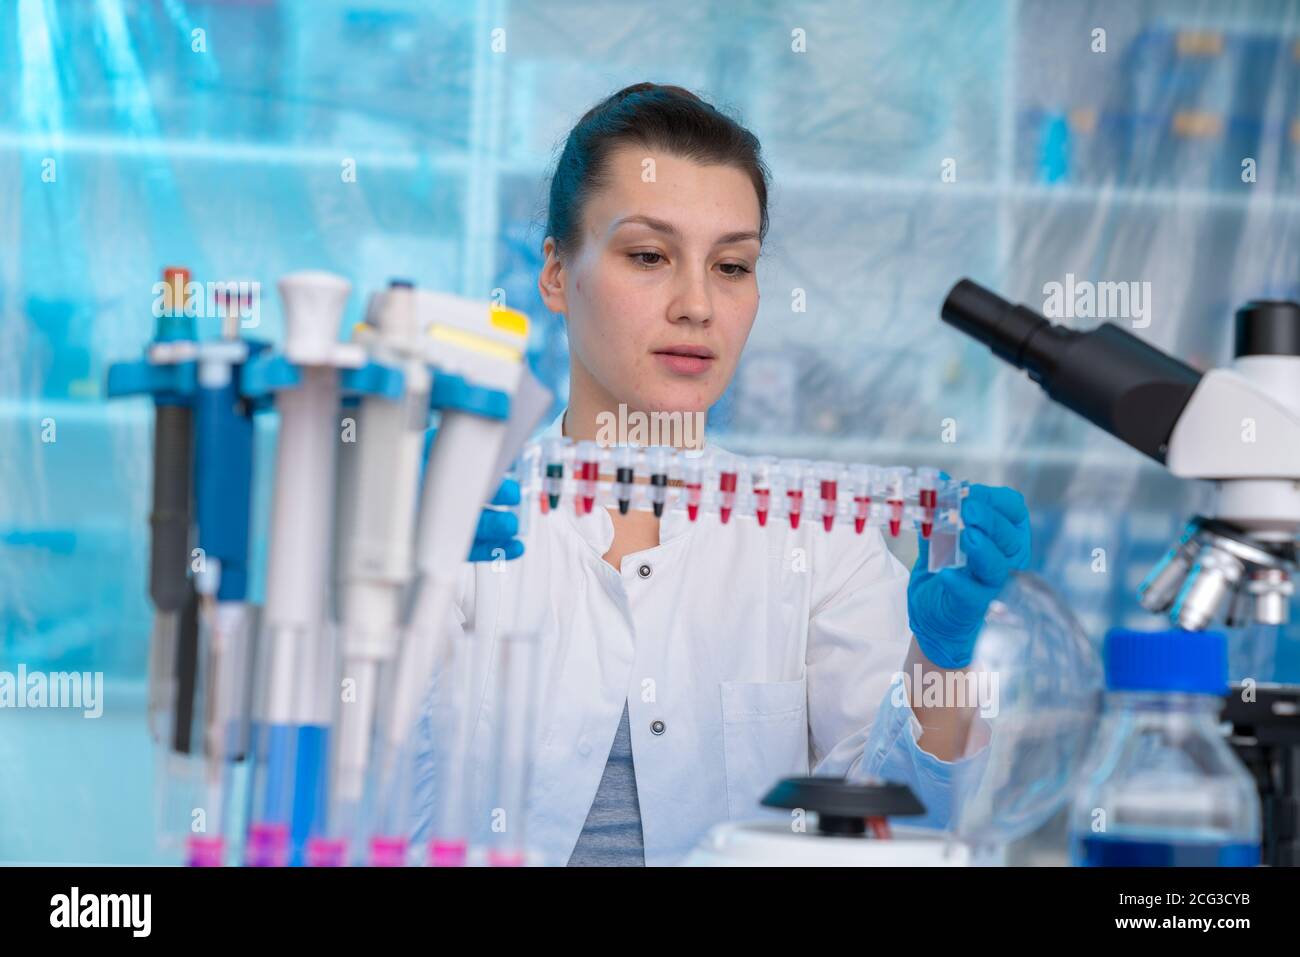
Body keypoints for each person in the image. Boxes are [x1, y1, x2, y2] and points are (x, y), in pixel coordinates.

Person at [413, 82, 1032, 866]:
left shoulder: (818, 540)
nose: (698, 304)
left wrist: (941, 660)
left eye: (732, 265)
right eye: (648, 255)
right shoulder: (474, 513)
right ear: (557, 273)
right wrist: (402, 568)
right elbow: (350, 790)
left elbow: (898, 829)